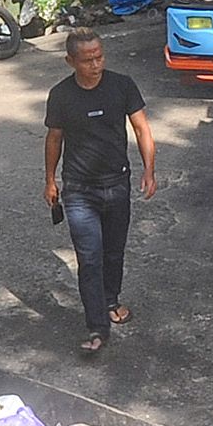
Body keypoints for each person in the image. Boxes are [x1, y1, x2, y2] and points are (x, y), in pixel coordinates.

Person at [44, 29, 156, 356]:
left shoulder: (122, 85)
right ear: (70, 61)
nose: (96, 64)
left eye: (100, 56)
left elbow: (142, 128)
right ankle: (97, 326)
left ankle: (111, 301)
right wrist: (50, 180)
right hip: (79, 189)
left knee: (113, 251)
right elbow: (54, 139)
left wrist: (149, 170)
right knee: (90, 258)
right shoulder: (61, 95)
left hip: (117, 184)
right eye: (88, 59)